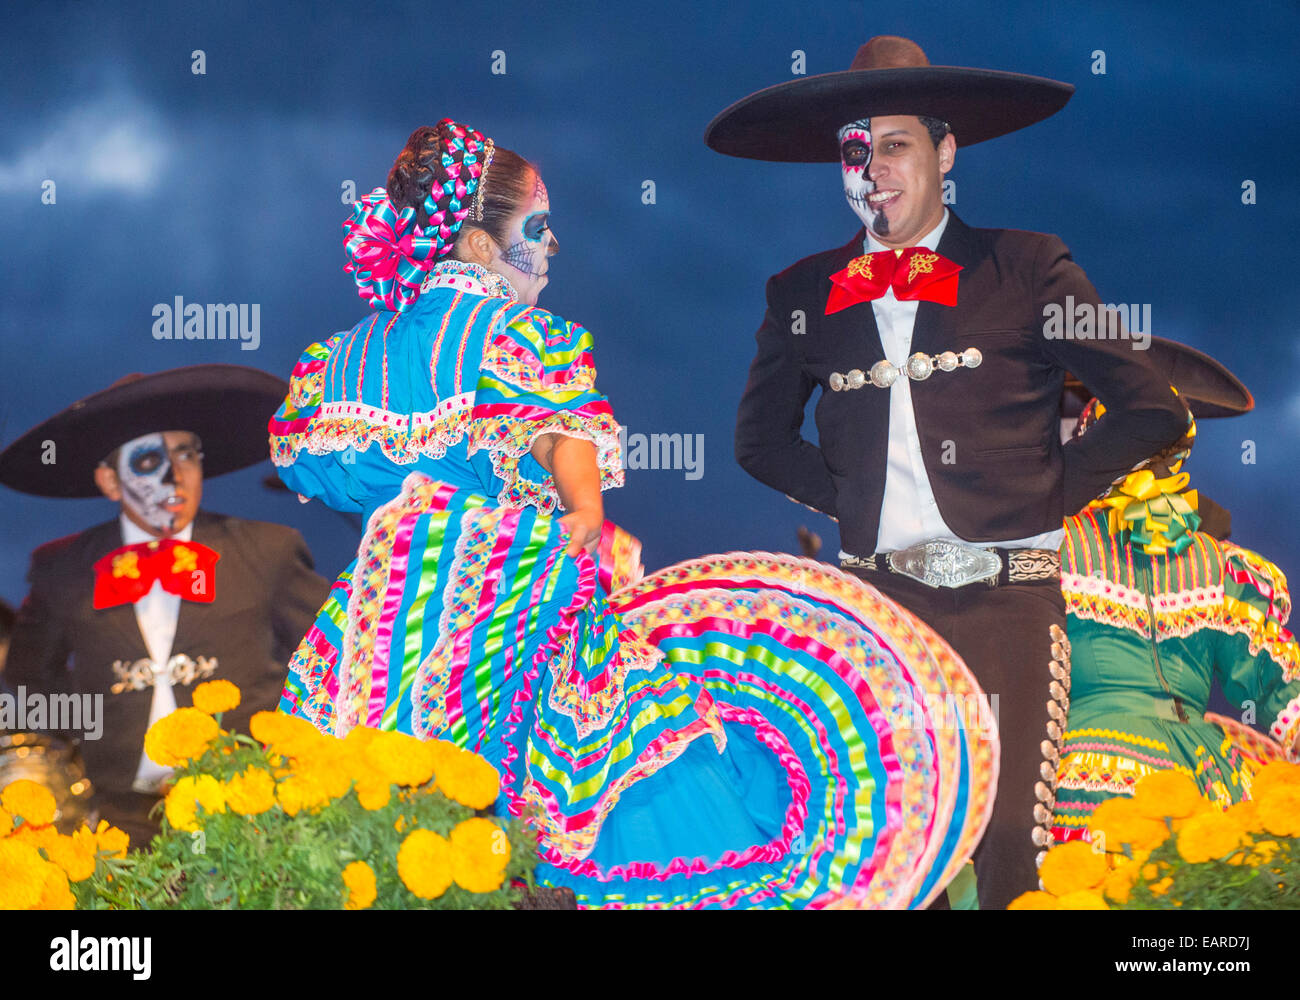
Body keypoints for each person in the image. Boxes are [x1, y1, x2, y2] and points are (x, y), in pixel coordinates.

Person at [271, 119, 998, 909]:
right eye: (538, 230)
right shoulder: (514, 333)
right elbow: (557, 432)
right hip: (496, 581)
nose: (552, 249)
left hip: (385, 607)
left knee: (380, 798)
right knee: (575, 759)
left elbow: (329, 471)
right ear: (479, 247)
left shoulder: (352, 354)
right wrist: (584, 508)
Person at [708, 36, 1189, 908]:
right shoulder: (801, 291)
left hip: (1006, 599)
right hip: (877, 607)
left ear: (944, 151)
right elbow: (758, 443)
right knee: (882, 846)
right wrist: (861, 503)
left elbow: (1156, 408)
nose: (874, 168)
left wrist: (1045, 491)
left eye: (895, 144)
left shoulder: (1029, 265)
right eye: (855, 150)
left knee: (1010, 843)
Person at [0, 366, 330, 846]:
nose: (174, 476)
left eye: (186, 454)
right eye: (149, 459)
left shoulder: (268, 550)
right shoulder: (63, 569)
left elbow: (328, 663)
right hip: (121, 822)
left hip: (255, 811)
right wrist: (98, 714)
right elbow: (30, 676)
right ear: (110, 481)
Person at [1048, 366, 1300, 846]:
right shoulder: (1056, 546)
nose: (1155, 464)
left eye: (1164, 452)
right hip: (1102, 774)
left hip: (1194, 778)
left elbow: (1277, 686)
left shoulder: (1217, 565)